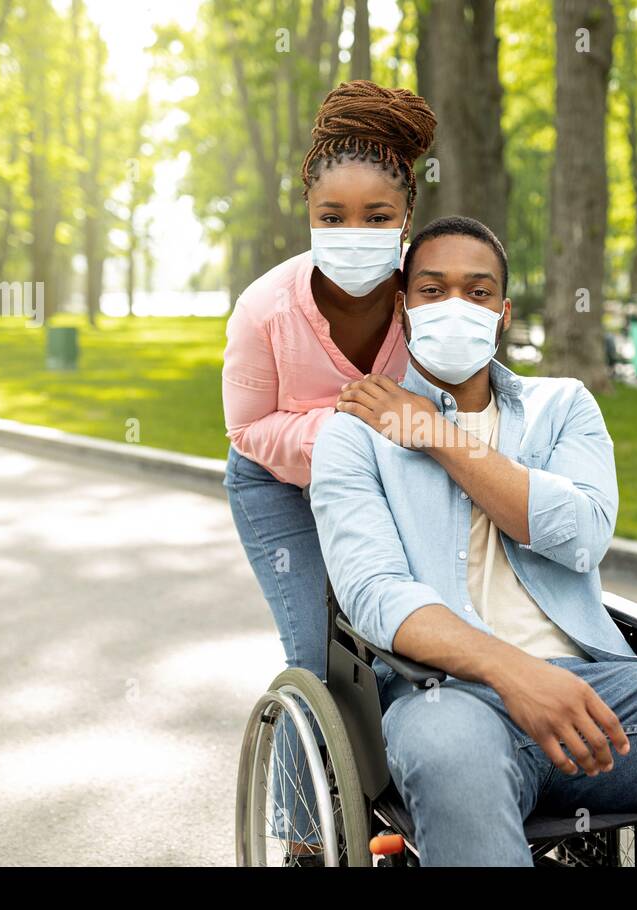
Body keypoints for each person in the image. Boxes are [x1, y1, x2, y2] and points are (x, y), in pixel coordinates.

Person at [309, 216, 637, 866]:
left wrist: (441, 437)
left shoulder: (563, 407)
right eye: (433, 289)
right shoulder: (353, 433)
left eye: (477, 293)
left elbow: (581, 534)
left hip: (599, 694)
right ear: (402, 307)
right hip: (446, 699)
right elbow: (377, 595)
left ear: (503, 313)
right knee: (452, 748)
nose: (455, 307)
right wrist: (516, 674)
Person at [221, 80, 435, 857]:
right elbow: (247, 431)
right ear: (308, 218)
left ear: (405, 219)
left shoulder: (427, 299)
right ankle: (305, 843)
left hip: (389, 493)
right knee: (316, 658)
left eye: (377, 218)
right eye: (332, 217)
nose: (355, 231)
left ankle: (407, 814)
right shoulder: (265, 311)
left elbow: (457, 407)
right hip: (279, 490)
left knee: (403, 647)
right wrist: (353, 427)